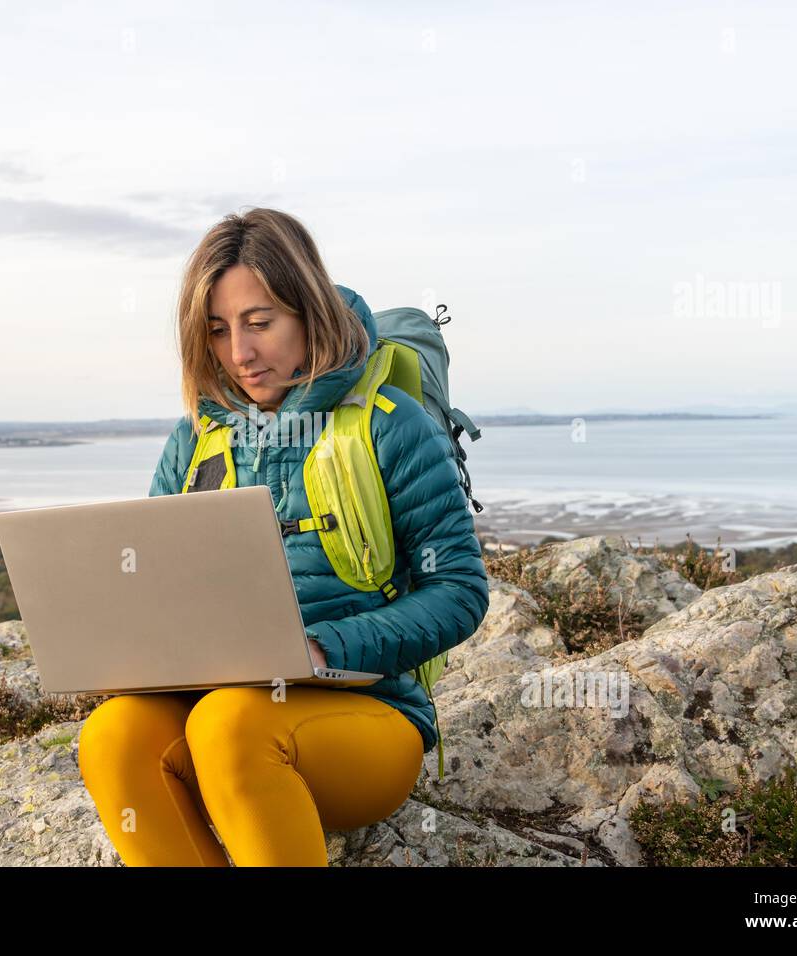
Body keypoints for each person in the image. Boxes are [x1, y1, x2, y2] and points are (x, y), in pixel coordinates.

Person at [77, 207, 490, 866]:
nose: (239, 353)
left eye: (260, 322)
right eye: (218, 330)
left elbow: (460, 591)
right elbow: (157, 588)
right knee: (113, 736)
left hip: (368, 717)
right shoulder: (195, 439)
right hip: (218, 707)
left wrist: (322, 646)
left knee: (228, 725)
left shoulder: (389, 424)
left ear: (309, 312)